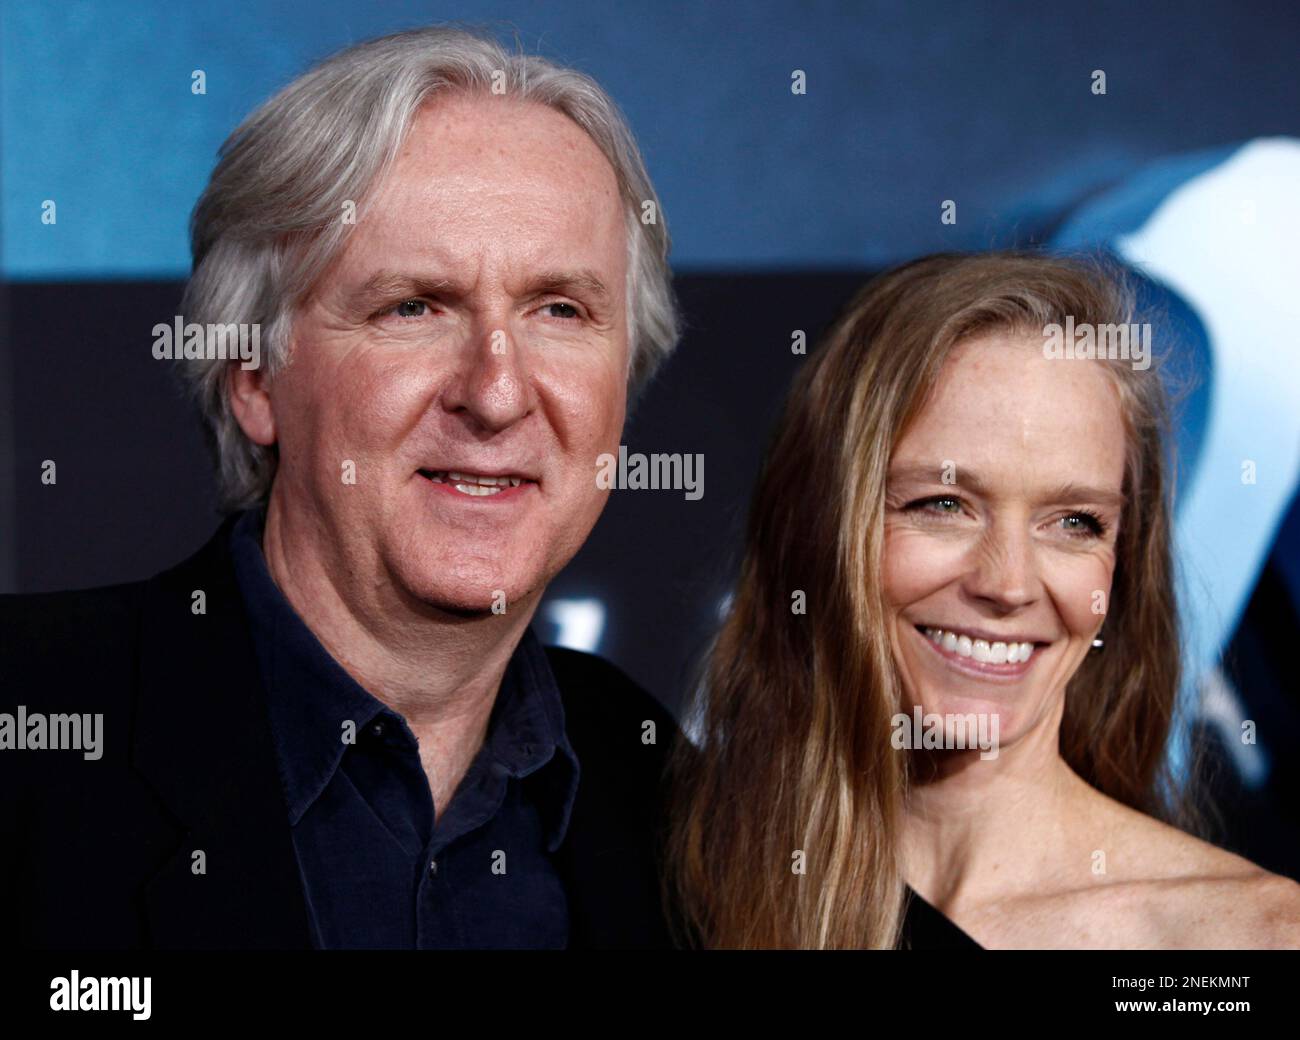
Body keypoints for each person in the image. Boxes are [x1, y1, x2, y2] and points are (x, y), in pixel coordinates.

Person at [0, 25, 682, 949]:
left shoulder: (669, 790)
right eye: (414, 307)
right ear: (253, 376)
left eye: (560, 310)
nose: (496, 391)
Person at [666, 251, 1300, 948]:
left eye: (1074, 523)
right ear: (818, 526)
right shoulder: (671, 884)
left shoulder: (1245, 941)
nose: (1008, 584)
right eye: (944, 504)